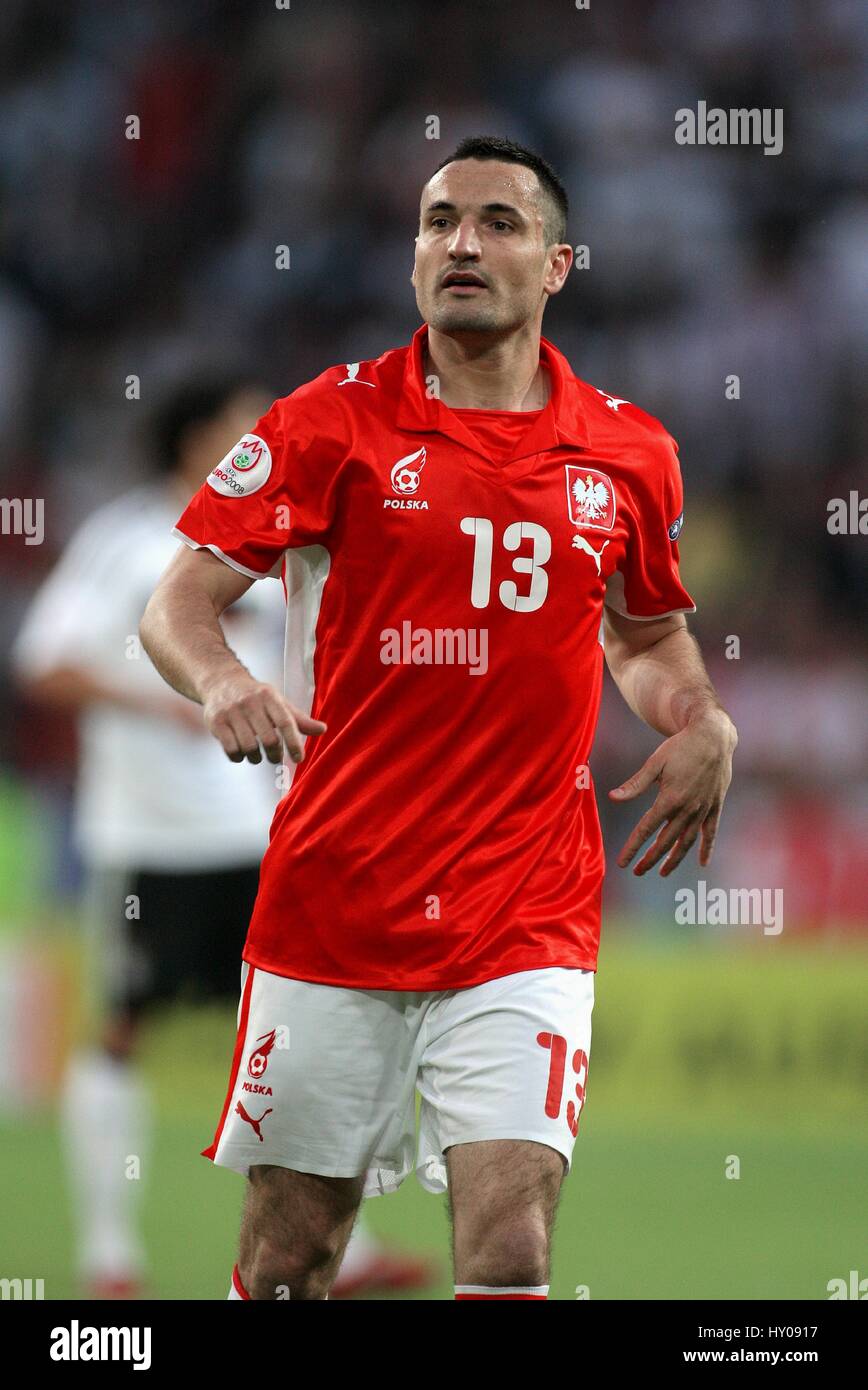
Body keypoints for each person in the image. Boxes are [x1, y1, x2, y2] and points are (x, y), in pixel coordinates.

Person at [139, 136, 737, 1302]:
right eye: (436, 219)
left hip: (525, 906)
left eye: (498, 222)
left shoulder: (628, 450)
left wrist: (701, 716)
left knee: (509, 1248)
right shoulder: (331, 422)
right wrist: (220, 681)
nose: (461, 242)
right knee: (289, 1255)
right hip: (336, 897)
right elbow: (177, 602)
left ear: (558, 263)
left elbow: (645, 636)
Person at [13, 378, 431, 1299]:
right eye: (242, 424)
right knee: (122, 1030)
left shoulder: (286, 542)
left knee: (303, 1033)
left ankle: (343, 1253)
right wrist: (170, 702)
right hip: (151, 839)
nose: (262, 436)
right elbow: (45, 665)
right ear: (194, 436)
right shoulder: (126, 540)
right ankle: (109, 1257)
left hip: (266, 832)